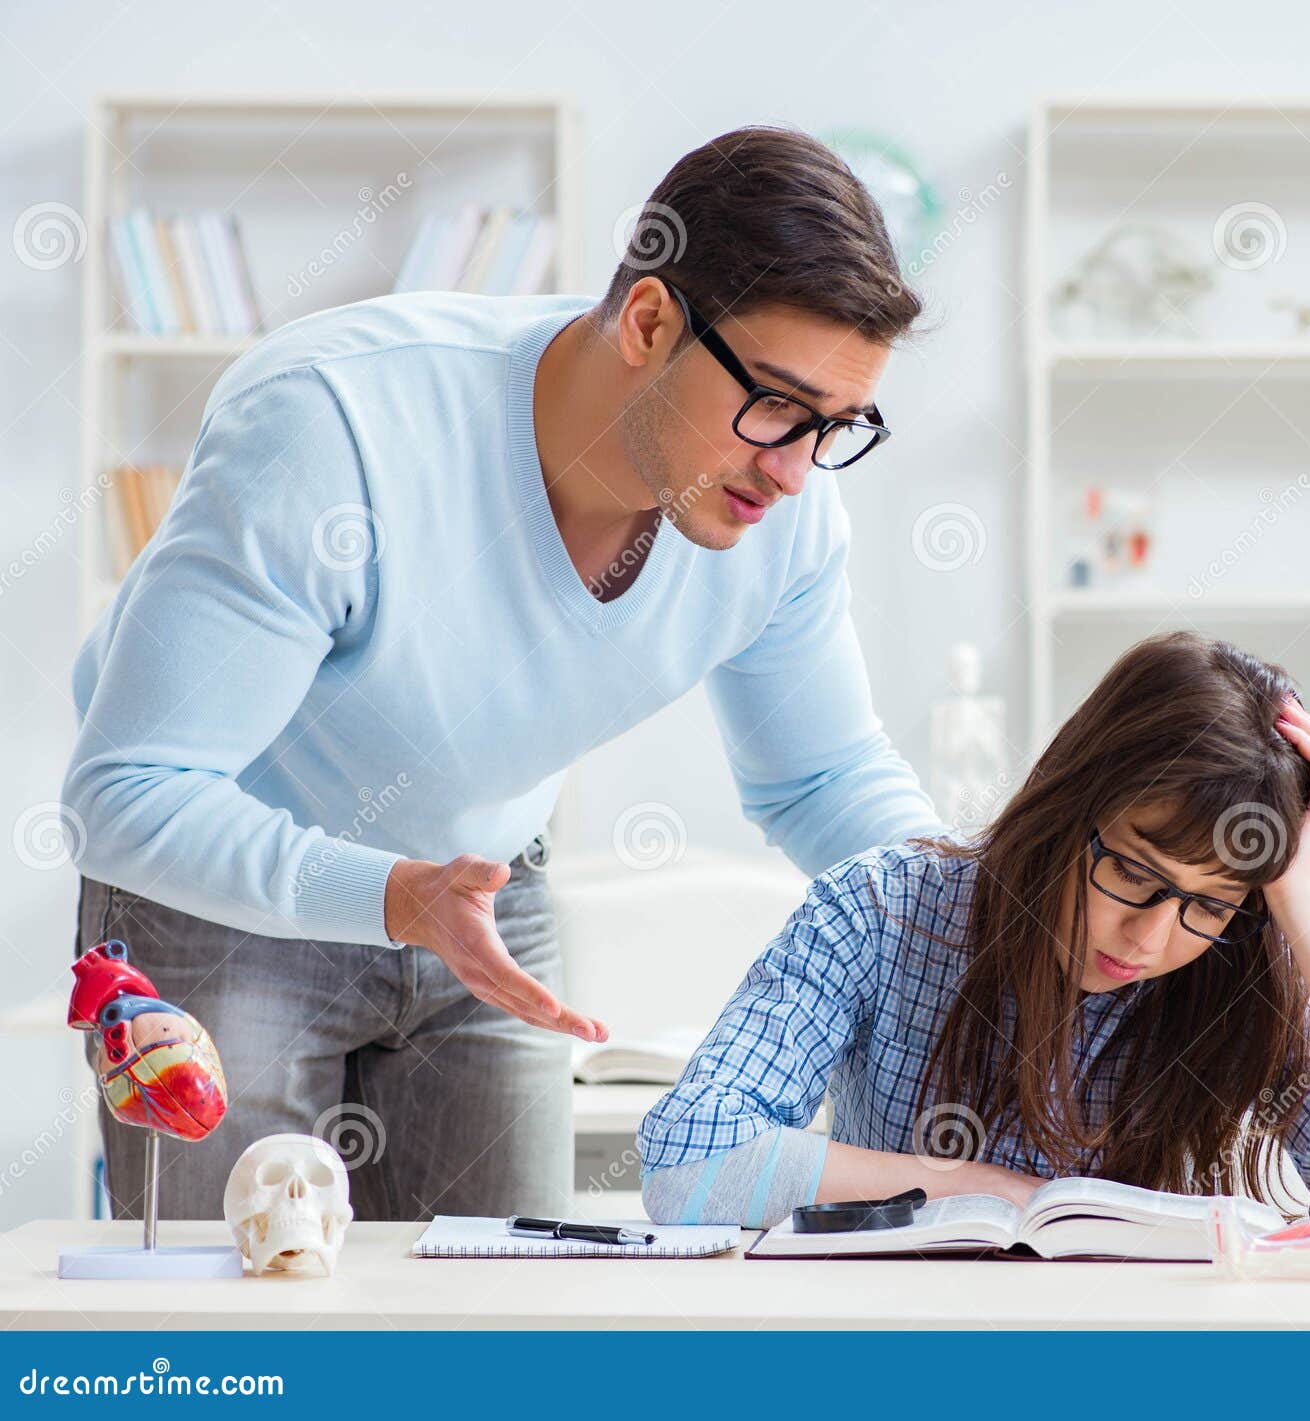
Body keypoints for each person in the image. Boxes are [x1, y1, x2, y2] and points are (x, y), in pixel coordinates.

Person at [62, 126, 940, 1222]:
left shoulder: (780, 515)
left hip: (484, 890)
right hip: (230, 892)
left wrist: (992, 913)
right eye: (773, 405)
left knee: (502, 1298)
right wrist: (390, 896)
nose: (798, 469)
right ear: (651, 320)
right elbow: (126, 790)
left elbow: (823, 780)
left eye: (836, 426)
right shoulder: (333, 426)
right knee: (246, 1305)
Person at [638, 632, 1310, 1226]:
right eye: (1133, 872)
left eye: (1206, 902)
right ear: (1070, 801)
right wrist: (976, 1189)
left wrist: (1299, 900)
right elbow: (691, 1163)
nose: (1152, 937)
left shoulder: (1241, 964)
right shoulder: (885, 908)